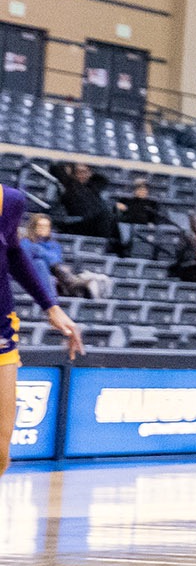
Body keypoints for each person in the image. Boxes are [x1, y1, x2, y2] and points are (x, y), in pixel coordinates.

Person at [2, 185, 84, 478]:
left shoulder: (9, 201)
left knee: (1, 446)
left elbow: (12, 253)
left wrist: (50, 306)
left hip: (0, 328)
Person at [22, 213, 113, 299]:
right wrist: (42, 253)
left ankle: (79, 286)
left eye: (46, 226)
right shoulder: (26, 242)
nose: (43, 229)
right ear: (33, 227)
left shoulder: (54, 245)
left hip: (55, 276)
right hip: (35, 274)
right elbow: (27, 259)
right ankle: (79, 283)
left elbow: (56, 260)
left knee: (56, 270)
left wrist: (39, 252)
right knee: (40, 263)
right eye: (40, 226)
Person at [51, 162, 116, 245]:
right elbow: (56, 168)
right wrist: (69, 170)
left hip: (93, 222)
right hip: (76, 223)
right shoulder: (70, 185)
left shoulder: (94, 187)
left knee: (109, 215)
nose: (82, 175)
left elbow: (103, 179)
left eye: (85, 172)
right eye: (78, 172)